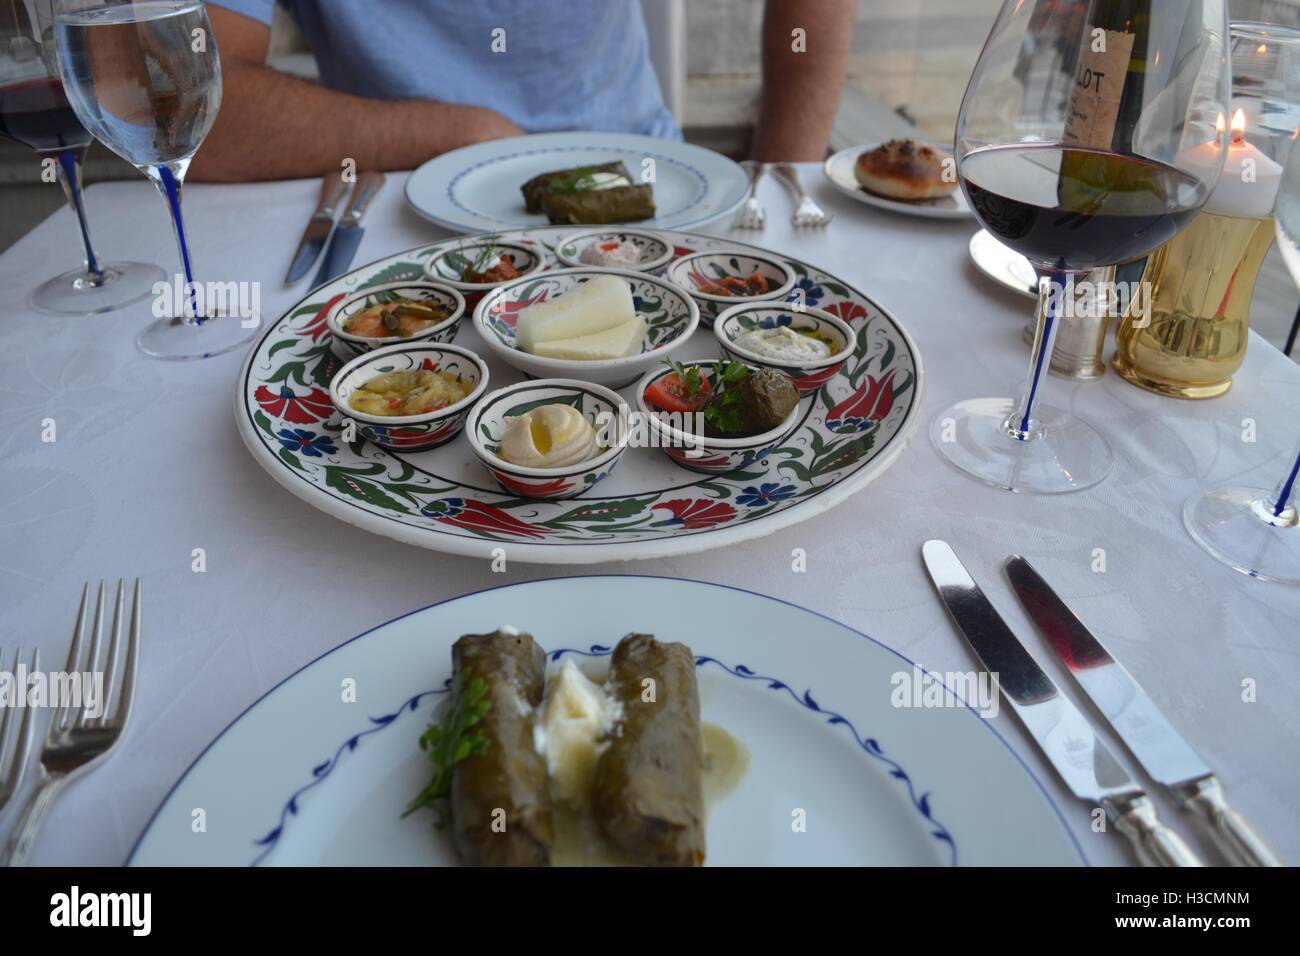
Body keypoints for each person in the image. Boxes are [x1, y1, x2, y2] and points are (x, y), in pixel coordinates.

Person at [191, 0, 855, 181]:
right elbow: (193, 113)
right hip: (392, 194)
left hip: (644, 181)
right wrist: (461, 136)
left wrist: (788, 175)